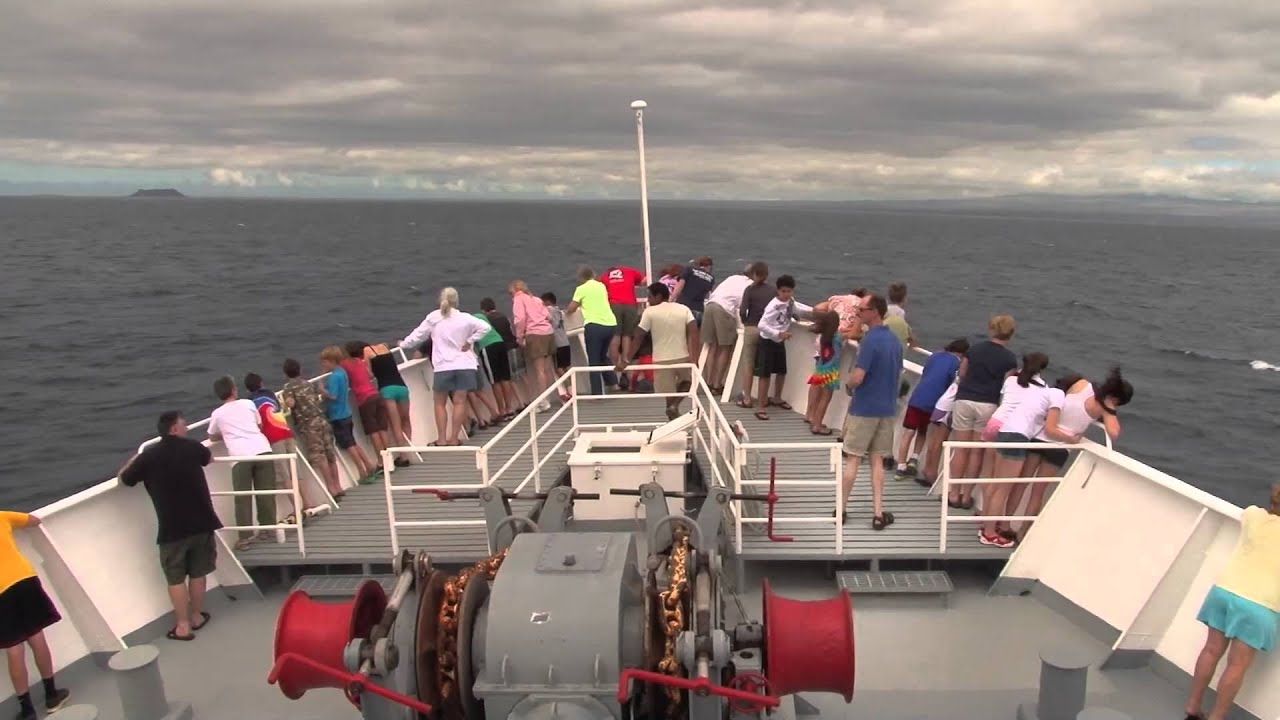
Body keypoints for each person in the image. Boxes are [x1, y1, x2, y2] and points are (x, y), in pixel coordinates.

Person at [119, 410, 222, 641]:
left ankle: (183, 626)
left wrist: (132, 461)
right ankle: (196, 616)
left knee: (175, 578)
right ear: (174, 429)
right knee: (198, 572)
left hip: (172, 529)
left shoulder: (148, 456)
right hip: (202, 522)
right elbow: (208, 458)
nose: (187, 428)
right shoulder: (192, 447)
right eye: (183, 425)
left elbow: (126, 479)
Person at [1184, 485, 1280, 720]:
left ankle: (1193, 707)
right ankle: (1217, 717)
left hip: (1224, 591)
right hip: (1260, 604)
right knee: (1236, 666)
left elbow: (1249, 515)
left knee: (1210, 650)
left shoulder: (1253, 515)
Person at [837, 293, 902, 531]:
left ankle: (841, 508)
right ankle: (877, 513)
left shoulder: (870, 341)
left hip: (865, 407)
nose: (858, 313)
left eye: (862, 310)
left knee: (853, 458)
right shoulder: (895, 341)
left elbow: (858, 376)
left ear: (874, 312)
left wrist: (849, 385)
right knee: (877, 461)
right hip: (887, 408)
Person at [397, 287, 493, 446]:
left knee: (439, 403)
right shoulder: (465, 317)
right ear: (456, 300)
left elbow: (418, 335)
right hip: (465, 365)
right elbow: (486, 327)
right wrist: (470, 340)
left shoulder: (434, 317)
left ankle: (441, 439)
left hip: (443, 366)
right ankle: (454, 438)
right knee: (460, 402)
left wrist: (404, 344)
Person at [1, 512, 70, 718]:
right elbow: (33, 520)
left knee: (13, 648)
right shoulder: (2, 516)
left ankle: (27, 709)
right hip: (24, 579)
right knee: (36, 635)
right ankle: (51, 695)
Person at [947, 315, 1018, 510]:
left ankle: (953, 493)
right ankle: (966, 495)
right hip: (988, 404)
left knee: (961, 448)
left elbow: (962, 373)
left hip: (965, 400)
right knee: (976, 451)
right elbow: (1007, 385)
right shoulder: (1009, 358)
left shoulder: (974, 350)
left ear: (991, 329)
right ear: (1010, 334)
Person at [207, 375, 278, 550]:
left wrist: (225, 433)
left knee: (243, 498)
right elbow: (259, 425)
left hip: (240, 456)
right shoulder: (248, 404)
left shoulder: (217, 414)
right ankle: (268, 529)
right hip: (262, 449)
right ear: (233, 390)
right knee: (266, 492)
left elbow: (211, 436)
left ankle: (245, 538)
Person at [618, 282, 699, 420]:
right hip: (682, 356)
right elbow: (694, 332)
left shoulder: (649, 312)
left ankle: (672, 412)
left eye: (650, 297)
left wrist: (626, 360)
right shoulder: (683, 309)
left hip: (661, 359)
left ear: (659, 296)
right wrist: (694, 358)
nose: (648, 300)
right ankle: (674, 408)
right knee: (687, 382)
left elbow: (638, 336)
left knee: (669, 391)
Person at [896, 338, 968, 481]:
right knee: (922, 431)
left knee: (909, 432)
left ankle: (901, 466)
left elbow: (926, 372)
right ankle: (914, 459)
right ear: (962, 354)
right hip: (934, 402)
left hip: (917, 398)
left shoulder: (935, 356)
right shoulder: (956, 363)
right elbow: (952, 382)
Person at [279, 358, 345, 500]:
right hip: (322, 419)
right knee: (330, 453)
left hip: (309, 424)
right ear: (299, 370)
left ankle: (332, 489)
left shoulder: (288, 388)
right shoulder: (307, 383)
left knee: (320, 457)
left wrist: (284, 403)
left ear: (286, 373)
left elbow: (291, 404)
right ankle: (338, 486)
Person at [753, 275, 812, 420]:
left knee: (781, 371)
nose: (786, 294)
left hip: (779, 342)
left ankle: (777, 398)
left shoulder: (791, 302)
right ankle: (761, 406)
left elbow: (795, 312)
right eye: (783, 291)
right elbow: (761, 325)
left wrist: (808, 317)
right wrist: (778, 334)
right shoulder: (773, 306)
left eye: (789, 291)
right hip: (768, 341)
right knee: (765, 375)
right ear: (778, 291)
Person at [702, 262, 763, 394]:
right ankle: (717, 384)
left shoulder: (732, 278)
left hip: (710, 306)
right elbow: (744, 304)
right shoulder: (749, 285)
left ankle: (708, 382)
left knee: (712, 346)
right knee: (725, 347)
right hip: (724, 310)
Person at [317, 346, 377, 482]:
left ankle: (362, 471)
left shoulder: (334, 377)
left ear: (331, 361)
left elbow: (333, 396)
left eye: (324, 362)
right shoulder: (342, 372)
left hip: (338, 415)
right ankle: (368, 464)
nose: (323, 365)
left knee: (349, 446)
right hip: (346, 413)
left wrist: (322, 389)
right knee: (353, 443)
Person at [566, 267, 619, 396]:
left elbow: (572, 308)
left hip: (594, 326)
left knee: (594, 360)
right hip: (610, 324)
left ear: (581, 278)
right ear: (593, 275)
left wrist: (567, 312)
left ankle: (597, 392)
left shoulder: (581, 289)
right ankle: (613, 383)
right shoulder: (601, 286)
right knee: (602, 355)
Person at [509, 280, 555, 411]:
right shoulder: (536, 299)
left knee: (539, 370)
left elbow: (520, 319)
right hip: (548, 333)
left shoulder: (519, 299)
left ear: (515, 290)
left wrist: (520, 337)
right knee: (547, 369)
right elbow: (549, 317)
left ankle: (543, 402)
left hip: (535, 334)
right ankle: (548, 397)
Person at [361, 342, 414, 457]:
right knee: (406, 420)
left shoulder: (367, 351)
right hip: (402, 387)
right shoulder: (385, 346)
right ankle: (409, 450)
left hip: (387, 389)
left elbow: (370, 375)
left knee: (396, 425)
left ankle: (403, 456)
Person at [478, 298, 525, 415]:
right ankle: (510, 407)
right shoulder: (504, 316)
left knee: (496, 380)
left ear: (483, 310)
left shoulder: (486, 319)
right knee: (506, 378)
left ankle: (502, 410)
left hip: (492, 348)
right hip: (505, 345)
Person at [736, 263, 775, 408]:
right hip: (767, 330)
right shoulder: (773, 291)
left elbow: (742, 310)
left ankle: (747, 398)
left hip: (752, 327)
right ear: (767, 274)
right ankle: (763, 399)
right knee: (765, 365)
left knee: (748, 364)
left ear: (753, 274)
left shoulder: (750, 290)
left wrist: (746, 322)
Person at [804, 310, 843, 436]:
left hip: (820, 368)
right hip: (831, 371)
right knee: (825, 399)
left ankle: (814, 419)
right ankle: (817, 425)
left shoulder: (823, 337)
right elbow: (836, 356)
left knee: (820, 397)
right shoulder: (837, 338)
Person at [601, 265, 646, 373]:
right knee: (627, 335)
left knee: (615, 335)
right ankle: (625, 361)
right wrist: (633, 284)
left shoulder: (604, 277)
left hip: (614, 305)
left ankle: (615, 365)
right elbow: (644, 280)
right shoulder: (630, 271)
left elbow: (601, 292)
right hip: (630, 304)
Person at [541, 292, 573, 402]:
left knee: (559, 368)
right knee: (566, 367)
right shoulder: (559, 311)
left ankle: (569, 389)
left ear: (547, 301)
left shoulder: (548, 310)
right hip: (565, 342)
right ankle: (572, 388)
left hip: (557, 343)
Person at [671, 256, 715, 325]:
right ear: (709, 266)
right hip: (699, 310)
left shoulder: (689, 269)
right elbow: (708, 295)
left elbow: (679, 287)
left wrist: (670, 301)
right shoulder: (711, 278)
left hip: (683, 307)